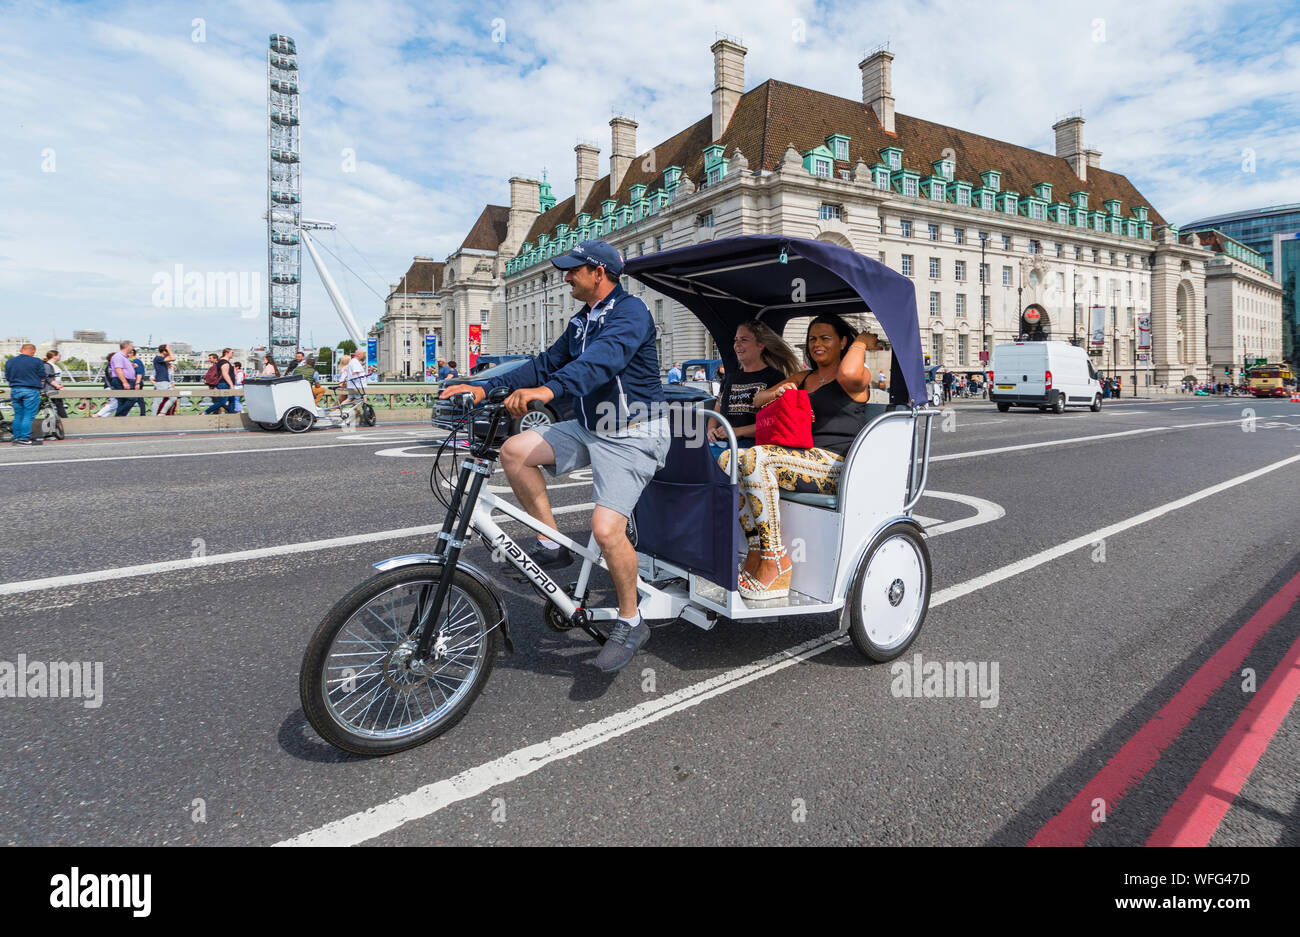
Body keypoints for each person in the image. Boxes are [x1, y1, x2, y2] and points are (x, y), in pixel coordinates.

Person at [441, 239, 669, 673]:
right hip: (590, 426)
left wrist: (547, 393)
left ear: (598, 273)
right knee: (514, 451)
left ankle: (630, 619)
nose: (565, 277)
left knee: (605, 530)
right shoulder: (583, 320)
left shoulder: (631, 312)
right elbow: (544, 363)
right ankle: (550, 542)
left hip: (634, 431)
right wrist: (484, 387)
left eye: (572, 270)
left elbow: (602, 362)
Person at [720, 314, 881, 601]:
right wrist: (779, 391)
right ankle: (756, 549)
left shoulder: (858, 376)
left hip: (836, 464)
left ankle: (775, 559)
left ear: (842, 342)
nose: (817, 344)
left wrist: (860, 342)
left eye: (825, 338)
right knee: (730, 460)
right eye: (812, 339)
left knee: (757, 458)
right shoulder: (805, 377)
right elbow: (759, 400)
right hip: (802, 458)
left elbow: (848, 375)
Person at [706, 320, 800, 455]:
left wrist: (736, 431)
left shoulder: (775, 378)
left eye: (744, 340)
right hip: (723, 443)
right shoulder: (730, 378)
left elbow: (774, 422)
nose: (737, 345)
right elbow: (717, 410)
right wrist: (711, 430)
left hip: (755, 446)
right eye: (736, 340)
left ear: (761, 344)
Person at [4, 343, 46, 446]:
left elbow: (8, 376)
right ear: (33, 351)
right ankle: (24, 438)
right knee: (28, 415)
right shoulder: (36, 361)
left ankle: (16, 437)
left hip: (15, 390)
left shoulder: (10, 361)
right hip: (30, 390)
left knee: (18, 415)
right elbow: (42, 376)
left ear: (21, 350)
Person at [203, 349, 236, 414]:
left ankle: (232, 416)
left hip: (224, 383)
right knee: (222, 402)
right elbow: (225, 374)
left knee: (232, 401)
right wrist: (231, 385)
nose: (233, 354)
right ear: (226, 353)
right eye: (232, 353)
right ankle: (205, 412)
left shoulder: (221, 361)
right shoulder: (224, 362)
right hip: (225, 384)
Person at [151, 344, 177, 416]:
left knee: (173, 398)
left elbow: (168, 362)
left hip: (167, 382)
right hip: (161, 382)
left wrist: (171, 365)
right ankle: (153, 417)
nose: (168, 353)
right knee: (158, 401)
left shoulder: (162, 360)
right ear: (164, 351)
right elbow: (173, 358)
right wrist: (169, 349)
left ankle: (162, 413)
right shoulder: (158, 358)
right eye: (167, 351)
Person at [42, 350, 68, 421]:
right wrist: (58, 386)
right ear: (54, 356)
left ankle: (64, 421)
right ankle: (65, 421)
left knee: (58, 405)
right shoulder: (47, 365)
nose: (60, 357)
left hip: (55, 388)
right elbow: (48, 378)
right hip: (50, 389)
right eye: (59, 355)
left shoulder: (54, 365)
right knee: (57, 406)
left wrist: (59, 385)